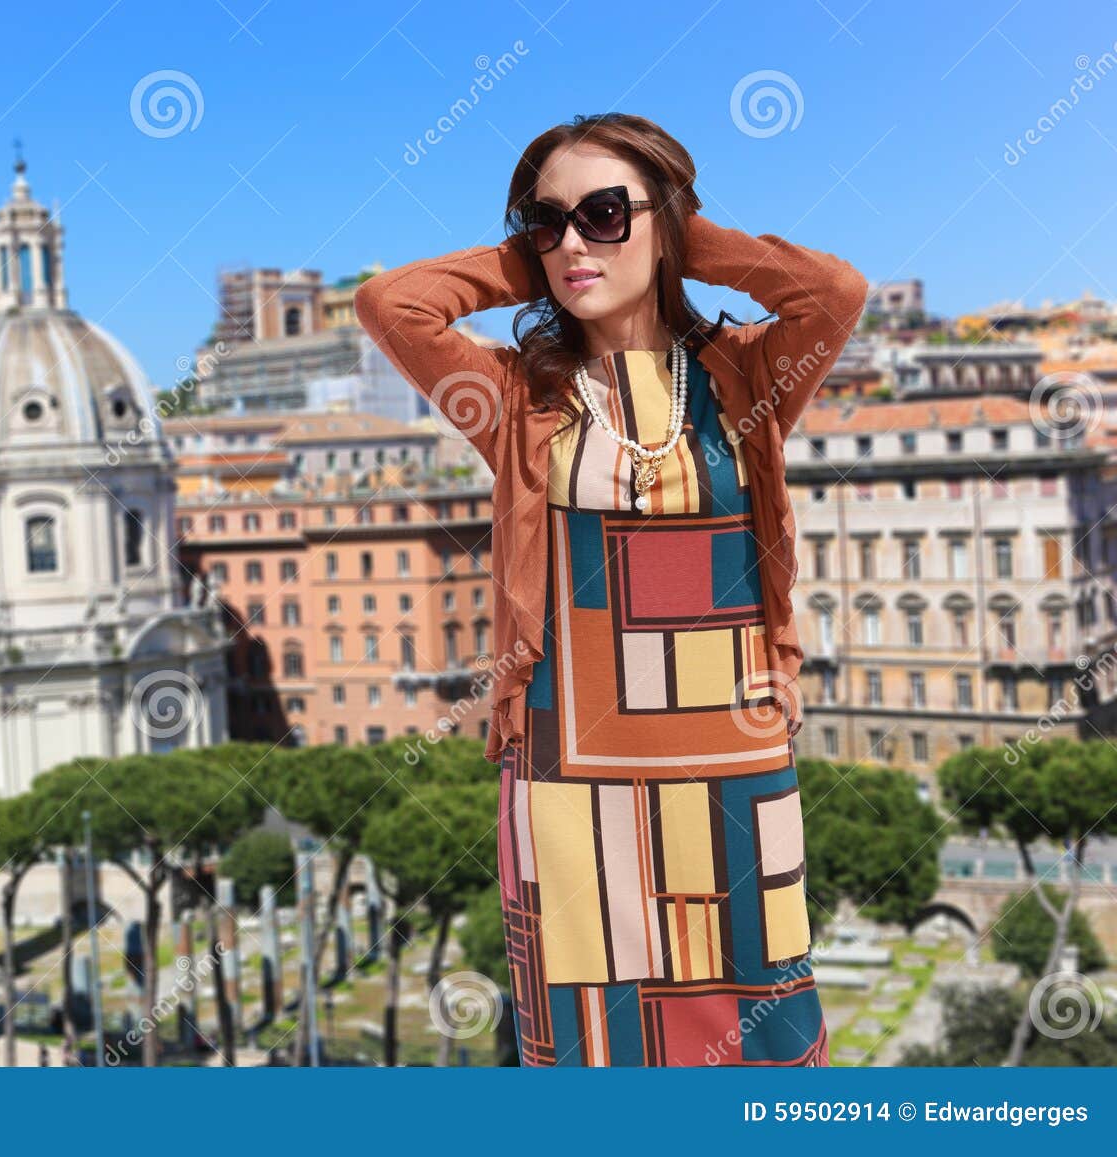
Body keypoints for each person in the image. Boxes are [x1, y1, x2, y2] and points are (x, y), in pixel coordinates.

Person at [354, 113, 865, 1069]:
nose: (573, 243)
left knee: (768, 1040)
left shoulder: (743, 373)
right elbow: (393, 303)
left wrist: (675, 234)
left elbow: (833, 292)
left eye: (601, 214)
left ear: (665, 222)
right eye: (547, 222)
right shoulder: (514, 397)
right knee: (593, 1042)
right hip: (568, 768)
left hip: (732, 762)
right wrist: (539, 252)